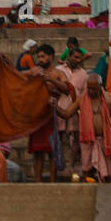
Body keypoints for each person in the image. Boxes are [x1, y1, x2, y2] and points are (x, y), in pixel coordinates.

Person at [24, 44, 74, 183]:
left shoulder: (58, 73)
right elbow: (19, 78)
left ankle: (53, 182)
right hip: (37, 116)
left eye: (43, 56)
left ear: (51, 57)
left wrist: (49, 79)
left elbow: (67, 89)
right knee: (37, 152)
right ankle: (38, 182)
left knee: (52, 150)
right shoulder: (34, 72)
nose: (40, 59)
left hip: (52, 115)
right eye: (38, 56)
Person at [68, 71, 111, 181]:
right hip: (88, 141)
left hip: (106, 140)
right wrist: (54, 107)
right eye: (89, 88)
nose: (90, 91)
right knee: (87, 172)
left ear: (100, 87)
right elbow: (67, 113)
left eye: (94, 88)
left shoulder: (110, 99)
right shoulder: (81, 99)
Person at [56, 45, 89, 171]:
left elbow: (85, 94)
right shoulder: (58, 70)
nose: (78, 60)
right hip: (59, 108)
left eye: (80, 58)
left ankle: (71, 165)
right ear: (69, 57)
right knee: (59, 137)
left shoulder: (84, 74)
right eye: (75, 57)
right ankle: (60, 165)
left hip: (75, 110)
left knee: (76, 138)